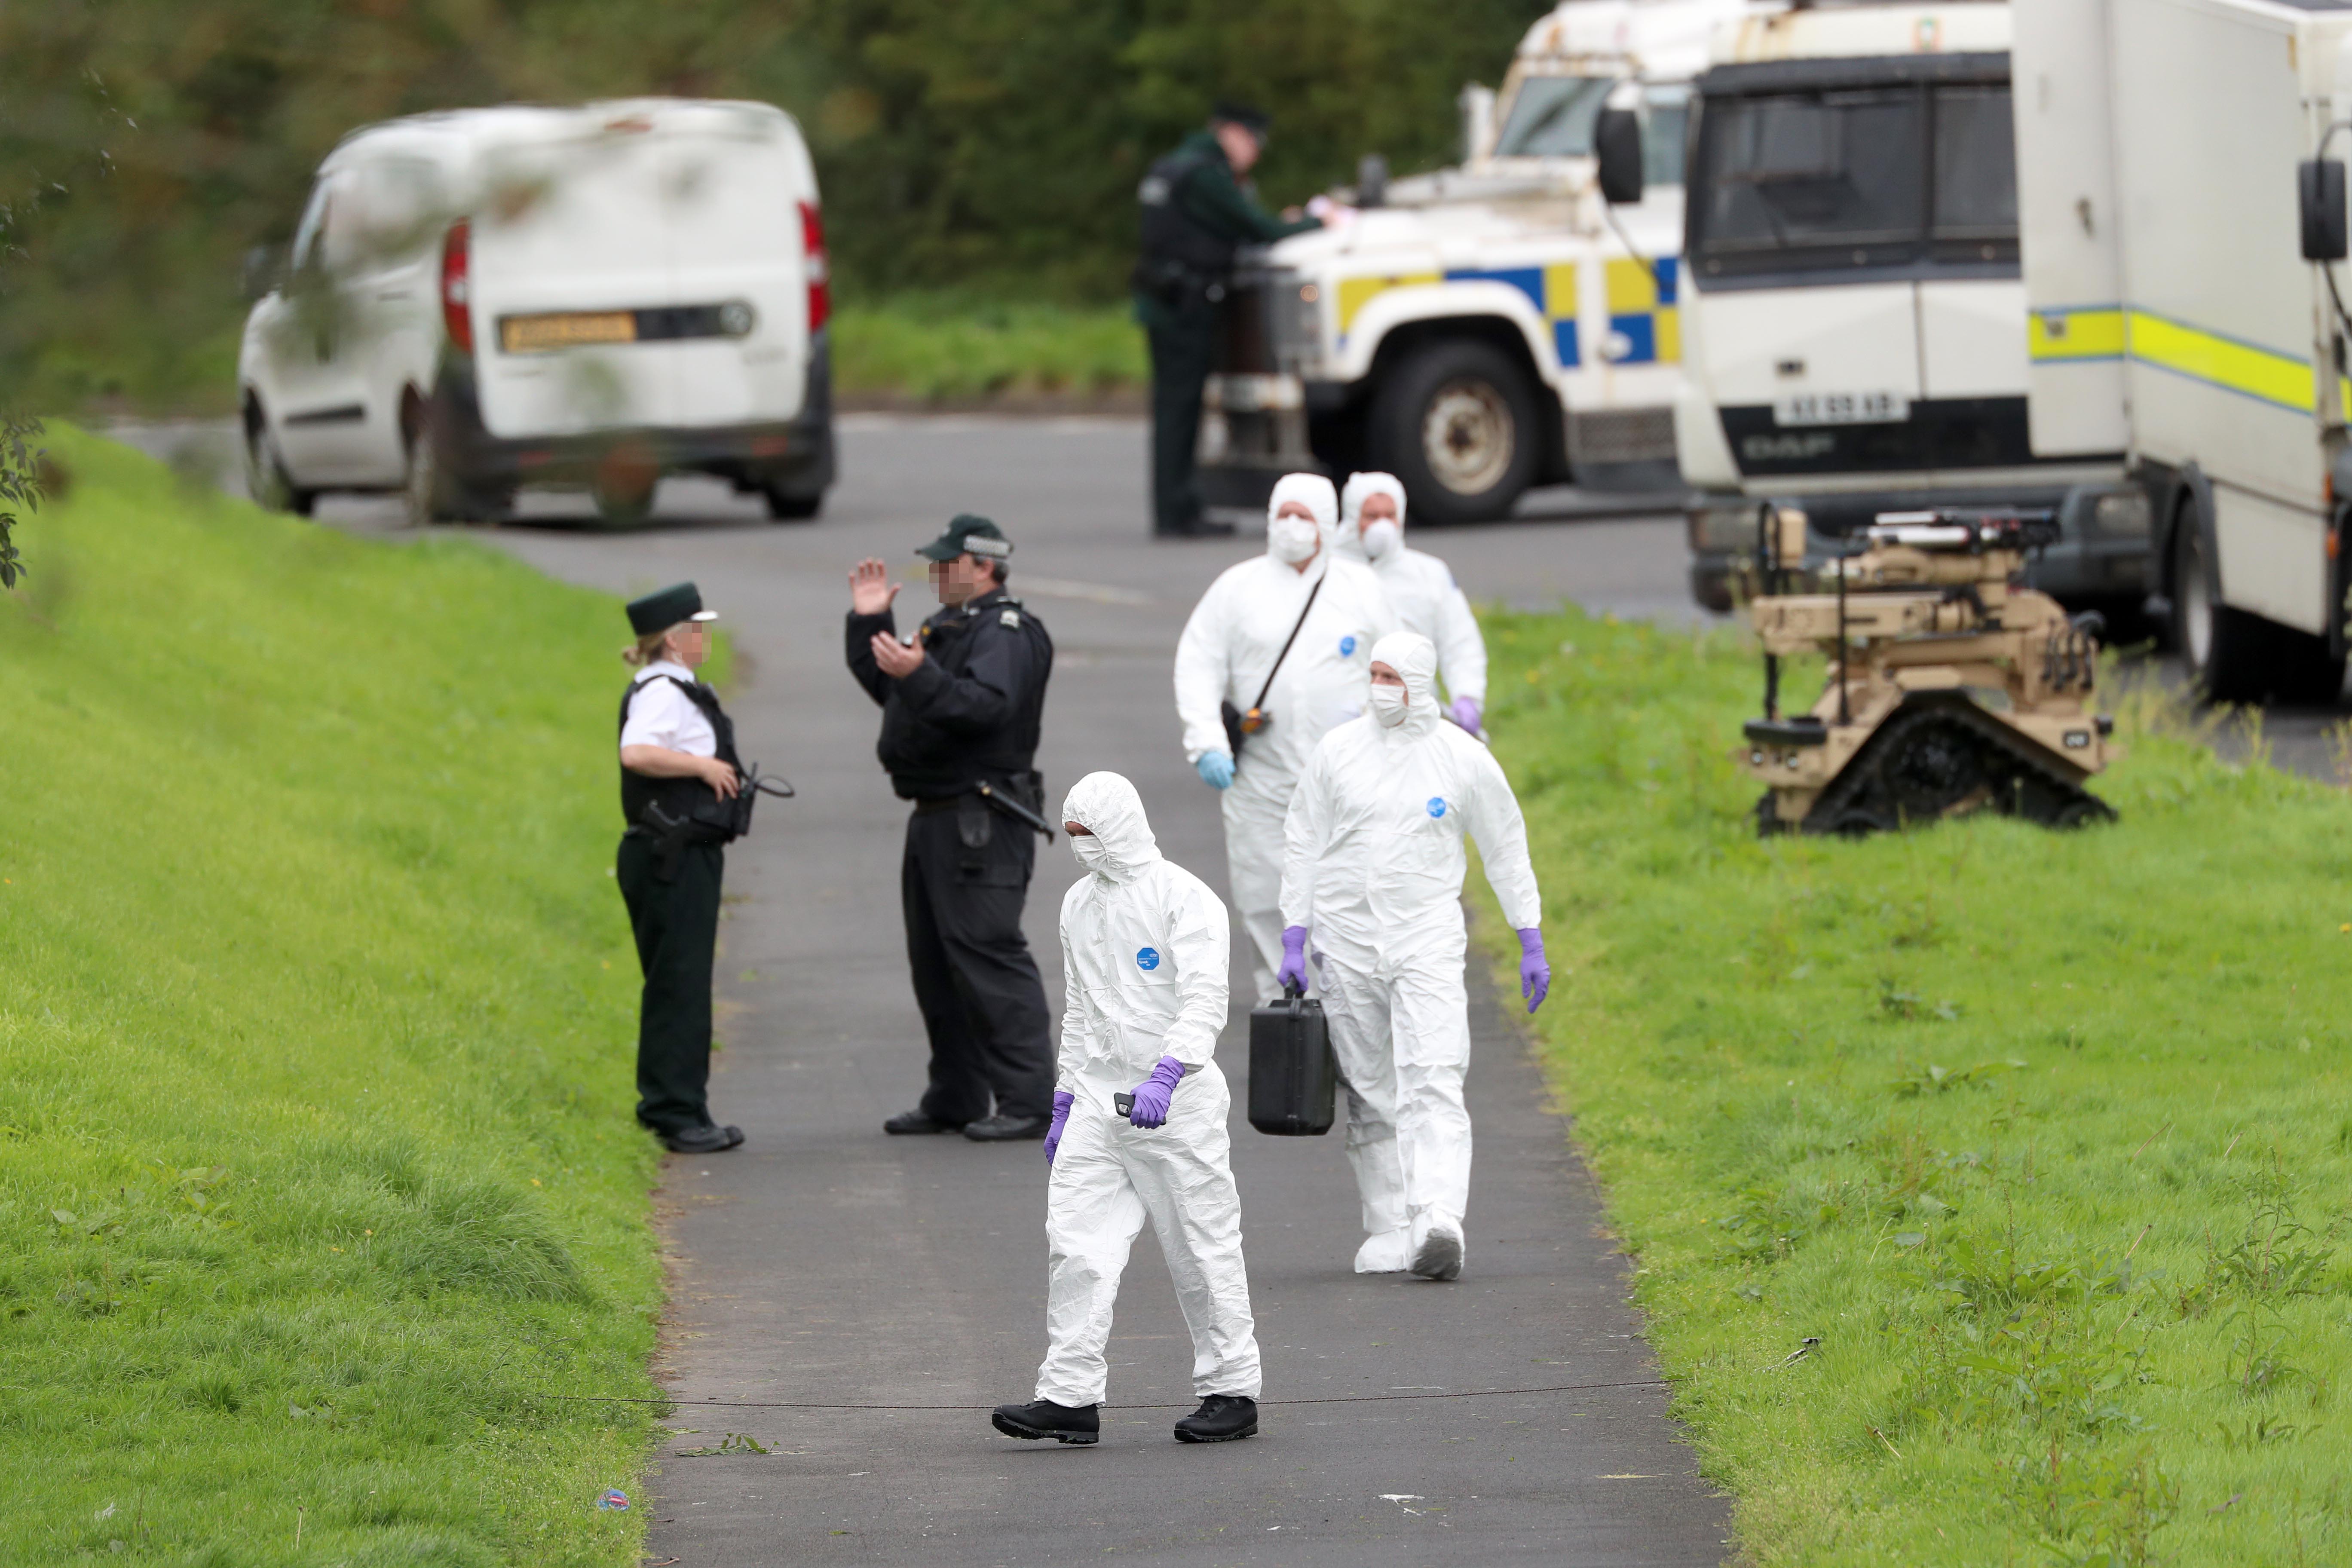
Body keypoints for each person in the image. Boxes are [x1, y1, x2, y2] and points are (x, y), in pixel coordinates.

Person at [991, 771, 1262, 1447]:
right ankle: (1069, 1395)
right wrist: (1063, 1096)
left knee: (1201, 1248)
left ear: (1120, 827)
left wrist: (1168, 1074)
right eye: (1073, 835)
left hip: (1178, 1106)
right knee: (1076, 1246)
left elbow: (1204, 1000)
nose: (1081, 847)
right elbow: (1082, 1007)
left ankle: (1232, 1389)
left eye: (1089, 835)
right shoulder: (1078, 904)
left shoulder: (1184, 900)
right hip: (1097, 1102)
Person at [1277, 630, 1550, 1282]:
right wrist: (1296, 930)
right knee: (1370, 1087)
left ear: (1423, 682)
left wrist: (1529, 935)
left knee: (1433, 1071)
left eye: (1393, 676)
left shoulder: (1461, 758)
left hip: (1425, 937)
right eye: (1374, 673)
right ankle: (1389, 1223)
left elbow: (1505, 845)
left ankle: (1437, 1217)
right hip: (1345, 941)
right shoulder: (1338, 752)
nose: (1380, 687)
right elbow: (1302, 839)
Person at [845, 515, 1058, 1142]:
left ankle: (1030, 1100)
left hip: (981, 817)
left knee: (989, 956)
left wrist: (921, 674)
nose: (936, 573)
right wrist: (870, 627)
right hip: (938, 814)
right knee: (937, 963)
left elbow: (984, 707)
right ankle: (957, 1093)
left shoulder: (1007, 632)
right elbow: (897, 689)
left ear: (985, 566)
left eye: (948, 563)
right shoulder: (950, 626)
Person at [1174, 472, 1398, 1001]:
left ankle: (1353, 1026)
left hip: (1347, 781)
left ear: (1325, 524)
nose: (1292, 528)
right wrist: (1206, 741)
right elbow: (1197, 663)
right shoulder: (1237, 588)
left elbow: (1399, 666)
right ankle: (1287, 1019)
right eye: (1284, 515)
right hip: (1261, 781)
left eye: (1304, 517)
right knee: (1264, 896)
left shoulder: (1360, 589)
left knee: (1349, 898)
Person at [1134, 102, 1325, 539]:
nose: (1254, 154)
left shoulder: (1171, 166)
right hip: (1185, 305)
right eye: (1254, 142)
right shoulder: (1205, 176)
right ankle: (1178, 512)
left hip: (1164, 299)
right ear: (1233, 134)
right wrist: (1316, 222)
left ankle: (1176, 507)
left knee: (1173, 408)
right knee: (1180, 410)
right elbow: (1260, 229)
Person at [616, 582, 746, 1155]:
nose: (706, 637)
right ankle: (674, 1114)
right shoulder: (664, 691)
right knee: (680, 983)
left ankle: (681, 1105)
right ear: (673, 640)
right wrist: (702, 765)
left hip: (675, 855)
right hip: (672, 857)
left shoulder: (671, 686)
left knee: (680, 980)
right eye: (698, 628)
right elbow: (636, 751)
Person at [1335, 471, 1489, 738]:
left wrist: (1468, 696)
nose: (1381, 526)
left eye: (1389, 516)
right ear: (1352, 519)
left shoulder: (1429, 574)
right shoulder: (1331, 575)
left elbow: (1460, 641)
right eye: (1372, 517)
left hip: (1414, 720)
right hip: (1346, 722)